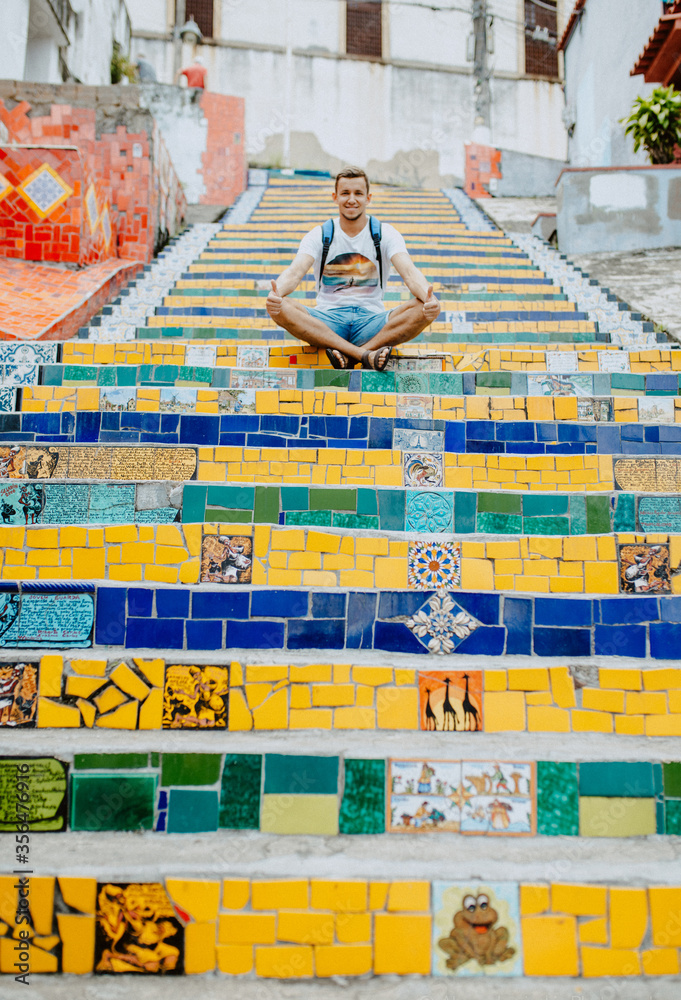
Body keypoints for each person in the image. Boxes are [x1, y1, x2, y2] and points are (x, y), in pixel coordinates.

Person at [266, 166, 441, 370]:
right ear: (335, 197)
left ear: (368, 198)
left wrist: (429, 299)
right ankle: (365, 355)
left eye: (358, 193)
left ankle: (351, 355)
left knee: (423, 308)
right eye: (345, 193)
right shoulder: (320, 234)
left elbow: (409, 273)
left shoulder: (385, 233)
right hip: (328, 322)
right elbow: (295, 272)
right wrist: (276, 294)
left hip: (371, 322)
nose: (351, 199)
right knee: (281, 306)